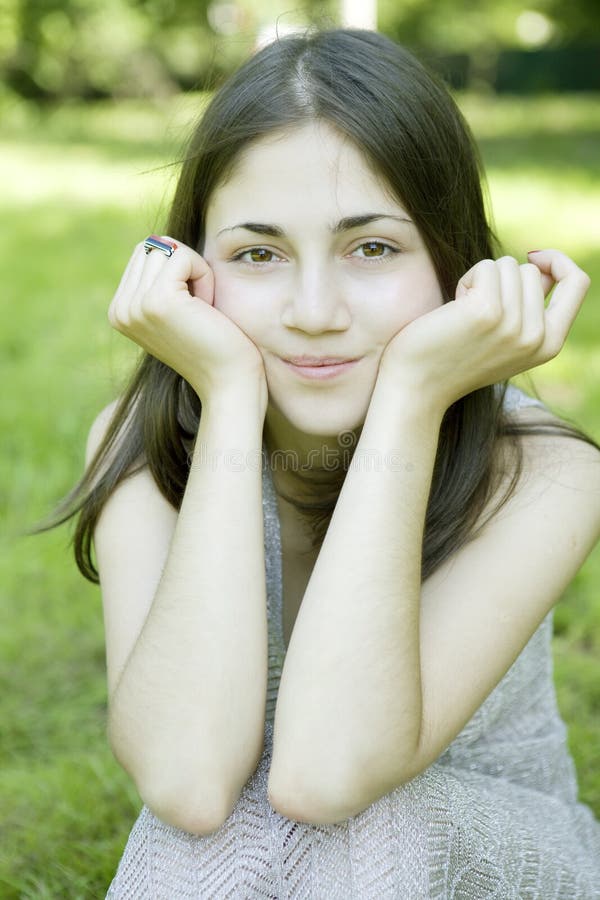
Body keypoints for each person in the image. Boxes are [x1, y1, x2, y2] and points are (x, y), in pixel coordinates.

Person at [53, 27, 600, 899]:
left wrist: (414, 397)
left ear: (453, 261)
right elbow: (188, 785)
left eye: (373, 247)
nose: (313, 311)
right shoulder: (143, 439)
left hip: (482, 852)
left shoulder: (541, 470)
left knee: (354, 817)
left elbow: (326, 775)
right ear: (194, 270)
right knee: (219, 826)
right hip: (253, 850)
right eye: (258, 254)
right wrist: (229, 398)